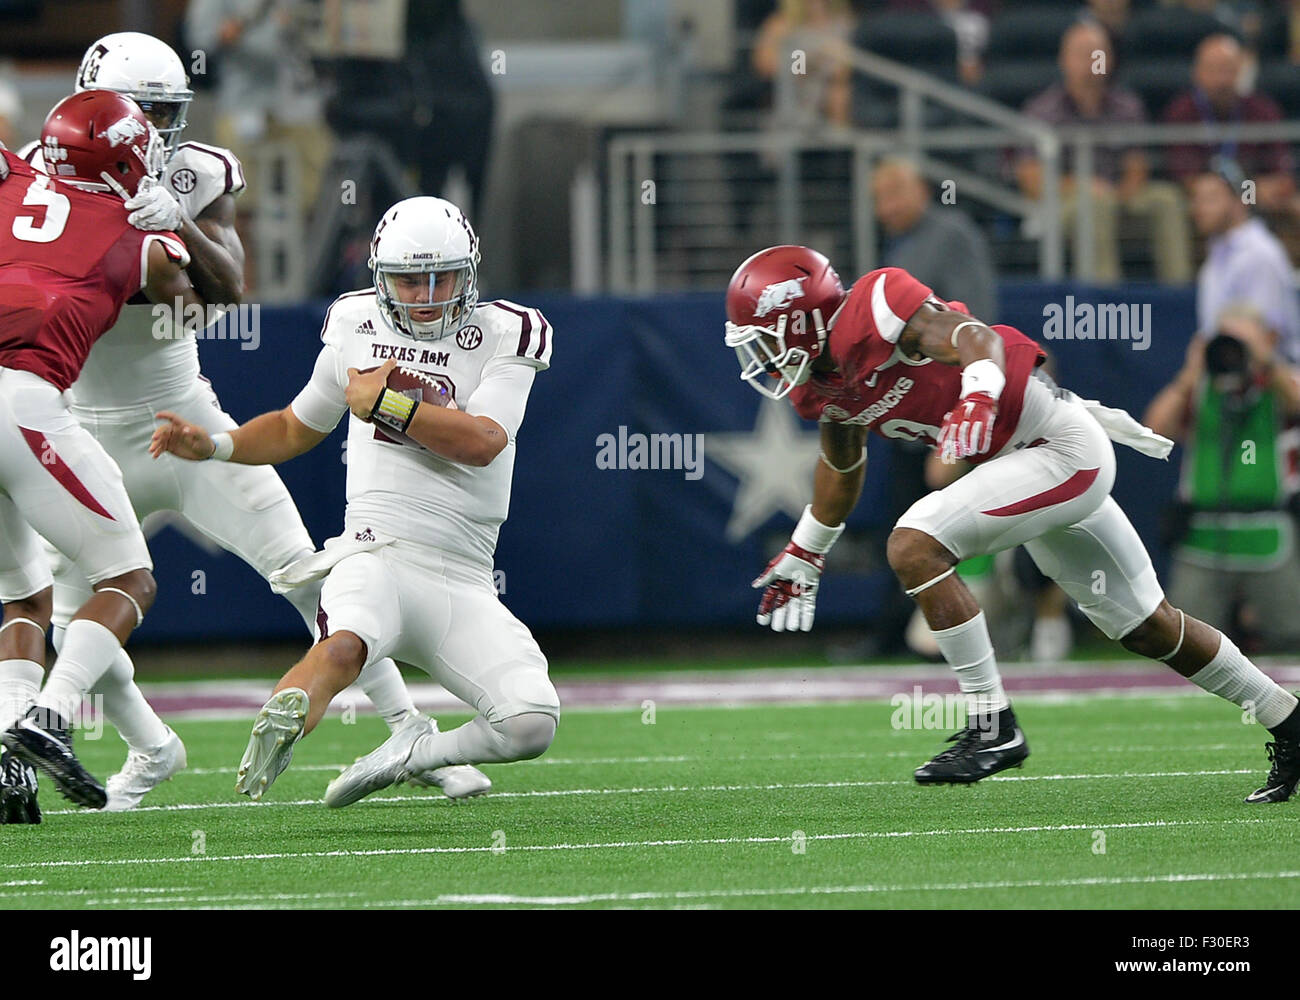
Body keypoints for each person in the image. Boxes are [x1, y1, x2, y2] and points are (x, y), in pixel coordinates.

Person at [2, 31, 487, 813]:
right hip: (74, 425)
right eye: (141, 113)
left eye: (167, 113)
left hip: (184, 418)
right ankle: (148, 746)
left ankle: (408, 728)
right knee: (71, 609)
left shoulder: (192, 173)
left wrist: (179, 226)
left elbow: (230, 286)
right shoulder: (47, 167)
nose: (156, 133)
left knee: (304, 573)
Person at [724, 244, 1300, 803]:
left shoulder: (874, 302)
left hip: (1057, 446)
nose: (759, 357)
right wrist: (807, 549)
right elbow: (841, 464)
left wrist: (976, 398)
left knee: (913, 544)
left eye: (763, 337)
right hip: (1022, 467)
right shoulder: (821, 384)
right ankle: (1290, 720)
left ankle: (992, 723)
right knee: (1145, 625)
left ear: (798, 319)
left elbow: (975, 338)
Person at [149, 197, 558, 805]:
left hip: (463, 576)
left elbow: (483, 443)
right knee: (344, 644)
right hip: (376, 552)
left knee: (530, 723)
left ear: (469, 272)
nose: (425, 294)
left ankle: (417, 751)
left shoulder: (506, 331)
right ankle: (286, 712)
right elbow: (296, 426)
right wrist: (212, 444)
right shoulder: (355, 322)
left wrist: (387, 404)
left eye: (441, 276)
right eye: (409, 279)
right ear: (379, 277)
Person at [0, 91, 198, 819]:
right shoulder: (139, 232)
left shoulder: (10, 176)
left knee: (24, 595)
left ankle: (7, 752)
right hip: (22, 401)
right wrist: (177, 229)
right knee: (129, 578)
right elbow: (208, 298)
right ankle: (50, 717)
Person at [1144, 304, 1300, 651]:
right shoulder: (1200, 388)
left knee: (1290, 635)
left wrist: (1266, 362)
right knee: (1186, 642)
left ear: (1268, 340)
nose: (1232, 351)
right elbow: (1153, 430)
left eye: (1240, 342)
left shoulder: (1279, 385)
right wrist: (1189, 374)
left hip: (1267, 535)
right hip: (1204, 536)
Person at [1016, 20, 1191, 282]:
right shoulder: (1041, 110)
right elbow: (1031, 179)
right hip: (1066, 203)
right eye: (1083, 54)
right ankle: (1106, 298)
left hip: (1119, 197)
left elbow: (1136, 164)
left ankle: (1179, 292)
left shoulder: (1127, 107)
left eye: (1098, 54)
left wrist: (1123, 193)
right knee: (1096, 205)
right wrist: (1084, 186)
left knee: (1165, 199)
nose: (1091, 61)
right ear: (1064, 60)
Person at [1164, 34, 1294, 215]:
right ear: (1197, 73)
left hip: (1254, 198)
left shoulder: (1262, 109)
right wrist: (1233, 193)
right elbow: (1186, 177)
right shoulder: (1182, 111)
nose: (1222, 81)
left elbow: (1281, 174)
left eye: (1228, 70)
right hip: (1202, 200)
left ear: (1241, 71)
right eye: (1213, 70)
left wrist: (1245, 192)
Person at [1190, 161, 1300, 362]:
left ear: (1240, 201)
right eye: (1196, 199)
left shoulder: (1259, 253)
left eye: (1210, 199)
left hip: (1269, 384)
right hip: (1228, 376)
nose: (1199, 208)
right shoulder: (1215, 257)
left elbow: (1267, 339)